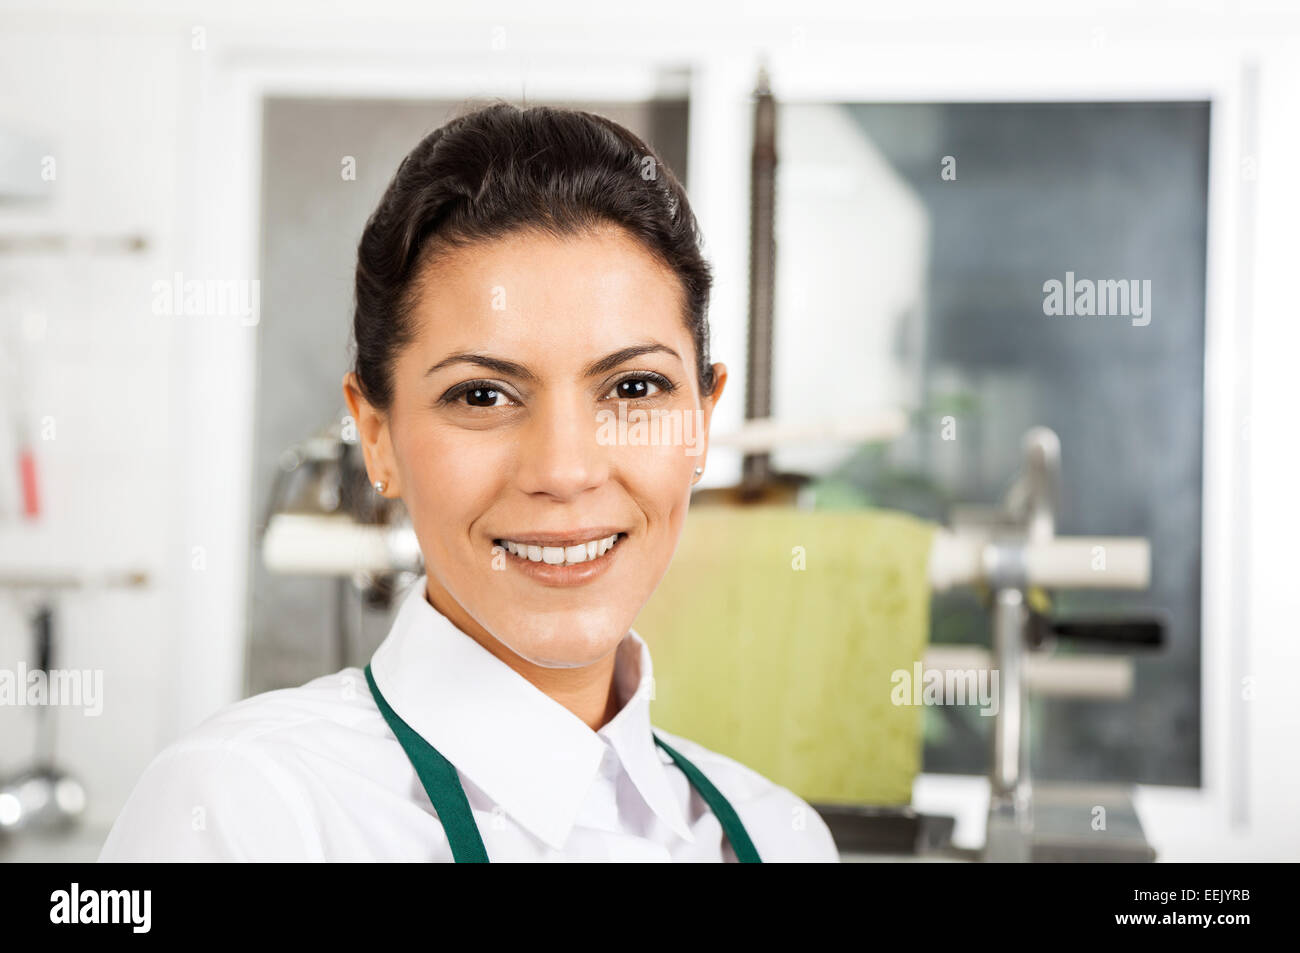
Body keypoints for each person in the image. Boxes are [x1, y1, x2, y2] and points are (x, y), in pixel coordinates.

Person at [99, 101, 840, 862]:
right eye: (482, 395)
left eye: (633, 389)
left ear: (701, 423)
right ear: (378, 435)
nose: (564, 470)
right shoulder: (247, 810)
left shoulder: (778, 835)